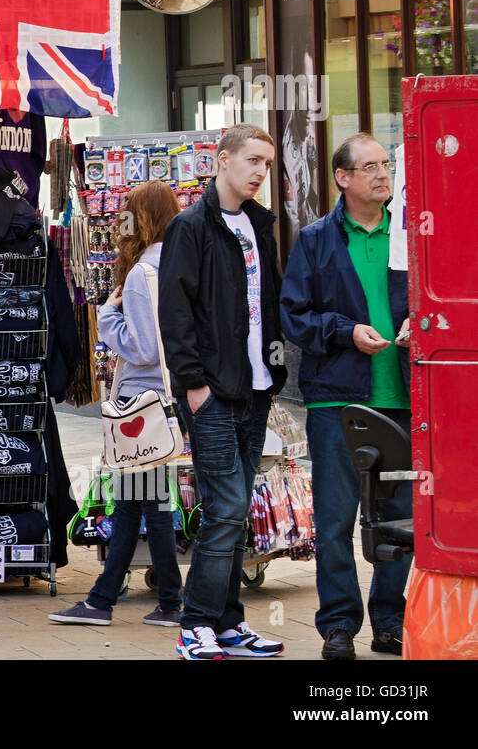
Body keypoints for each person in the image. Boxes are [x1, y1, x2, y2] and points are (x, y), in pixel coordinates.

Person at [158, 123, 288, 660]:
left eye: (267, 163)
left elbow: (269, 308)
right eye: (252, 160)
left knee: (229, 511)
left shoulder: (260, 225)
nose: (260, 172)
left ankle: (229, 624)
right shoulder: (190, 226)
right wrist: (193, 385)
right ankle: (196, 624)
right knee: (229, 504)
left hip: (255, 389)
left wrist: (274, 375)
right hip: (210, 392)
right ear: (223, 159)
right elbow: (175, 310)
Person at [279, 133, 411, 660]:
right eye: (372, 166)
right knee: (335, 521)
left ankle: (390, 623)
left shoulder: (408, 235)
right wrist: (345, 331)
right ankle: (338, 627)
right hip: (336, 402)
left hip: (402, 400)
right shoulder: (315, 240)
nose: (384, 174)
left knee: (398, 519)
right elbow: (294, 316)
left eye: (388, 165)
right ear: (343, 178)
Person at [48, 181, 184, 628]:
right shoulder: (178, 264)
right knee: (136, 503)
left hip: (140, 406)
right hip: (162, 402)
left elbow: (143, 348)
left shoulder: (145, 272)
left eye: (128, 211)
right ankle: (116, 600)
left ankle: (148, 602)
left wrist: (107, 316)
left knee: (147, 503)